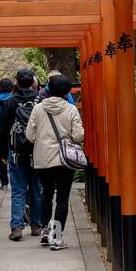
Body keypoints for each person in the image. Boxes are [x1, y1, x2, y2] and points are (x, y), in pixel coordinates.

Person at [26, 74, 84, 250]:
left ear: (49, 89)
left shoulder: (38, 108)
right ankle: (57, 237)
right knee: (63, 198)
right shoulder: (71, 109)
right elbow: (78, 135)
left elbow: (30, 135)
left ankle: (44, 230)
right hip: (64, 160)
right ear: (67, 91)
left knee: (46, 194)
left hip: (43, 158)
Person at [0, 70, 44, 241]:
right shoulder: (41, 101)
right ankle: (36, 225)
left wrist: (3, 152)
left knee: (18, 190)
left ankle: (17, 227)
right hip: (37, 151)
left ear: (16, 82)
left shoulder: (10, 102)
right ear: (33, 82)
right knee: (36, 189)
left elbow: (2, 131)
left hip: (16, 151)